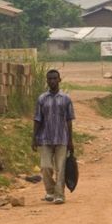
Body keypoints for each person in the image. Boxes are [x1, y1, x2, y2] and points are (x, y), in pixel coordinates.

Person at [32, 69, 75, 205]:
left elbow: (69, 120)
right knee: (45, 167)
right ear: (47, 81)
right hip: (45, 138)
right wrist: (34, 137)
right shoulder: (42, 99)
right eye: (49, 79)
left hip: (61, 138)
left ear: (59, 80)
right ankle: (50, 191)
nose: (52, 81)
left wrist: (70, 140)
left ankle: (59, 195)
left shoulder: (66, 99)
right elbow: (37, 119)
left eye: (54, 78)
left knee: (60, 168)